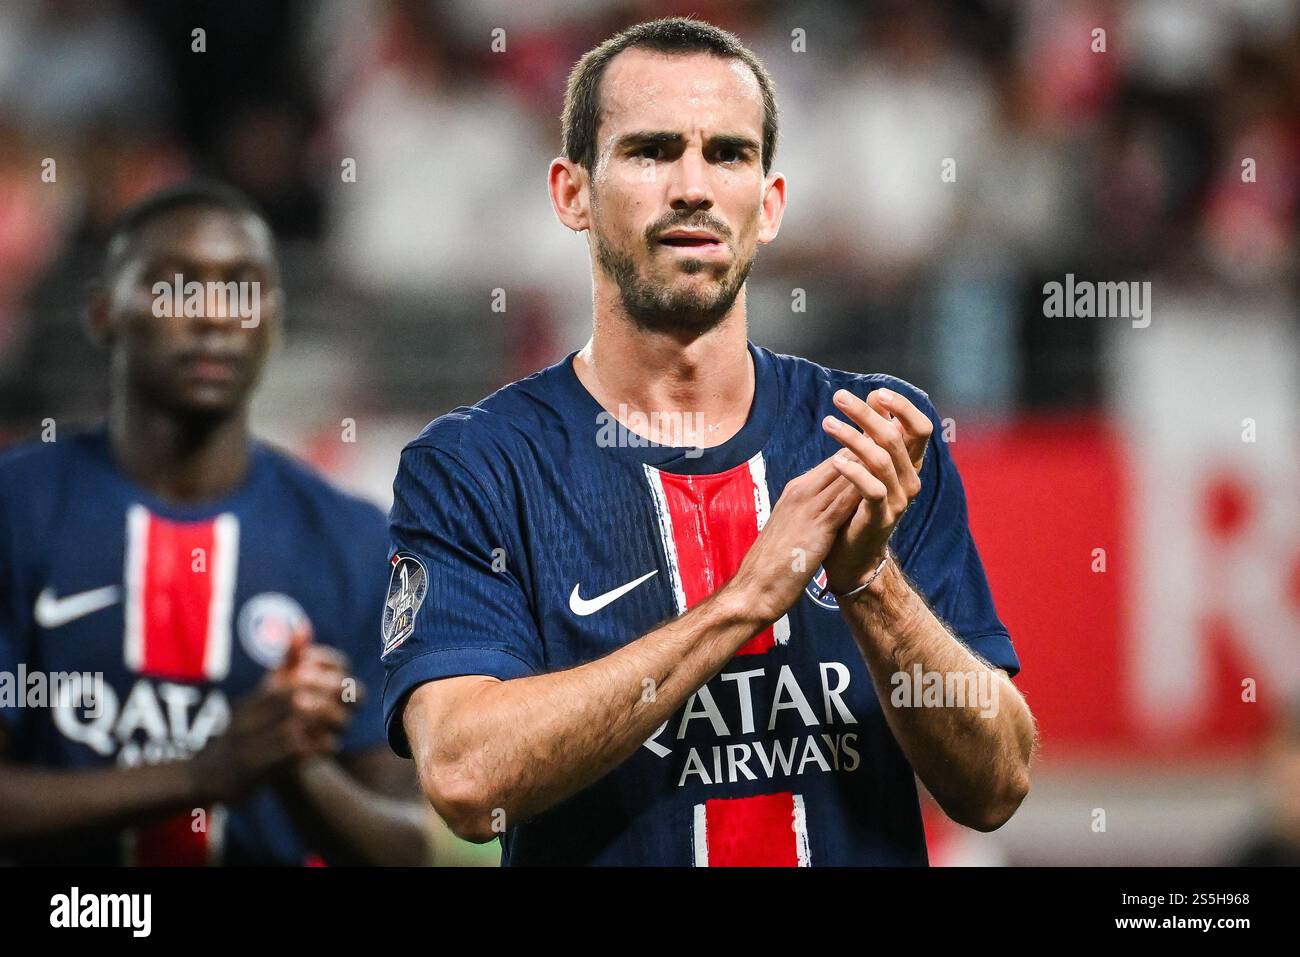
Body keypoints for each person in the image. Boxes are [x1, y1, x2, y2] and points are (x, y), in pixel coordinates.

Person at [383, 17, 1037, 866]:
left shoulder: (873, 438)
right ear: (571, 193)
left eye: (727, 154)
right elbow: (468, 779)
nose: (693, 186)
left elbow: (997, 784)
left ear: (768, 205)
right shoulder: (475, 467)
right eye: (652, 151)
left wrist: (872, 582)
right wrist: (742, 602)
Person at [0, 180, 431, 865]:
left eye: (243, 287)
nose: (213, 315)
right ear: (104, 312)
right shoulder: (16, 508)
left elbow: (409, 846)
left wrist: (295, 761)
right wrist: (203, 773)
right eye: (176, 286)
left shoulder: (353, 539)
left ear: (274, 322)